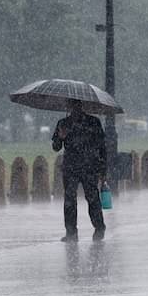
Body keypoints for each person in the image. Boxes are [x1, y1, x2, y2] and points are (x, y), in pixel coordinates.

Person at [51, 100, 107, 242]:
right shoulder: (63, 123)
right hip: (71, 168)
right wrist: (61, 137)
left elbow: (102, 147)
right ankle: (71, 233)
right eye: (73, 106)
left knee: (92, 198)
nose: (75, 109)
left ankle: (99, 228)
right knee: (70, 200)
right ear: (69, 107)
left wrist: (103, 169)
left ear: (81, 106)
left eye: (77, 105)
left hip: (89, 167)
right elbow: (56, 147)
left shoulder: (93, 122)